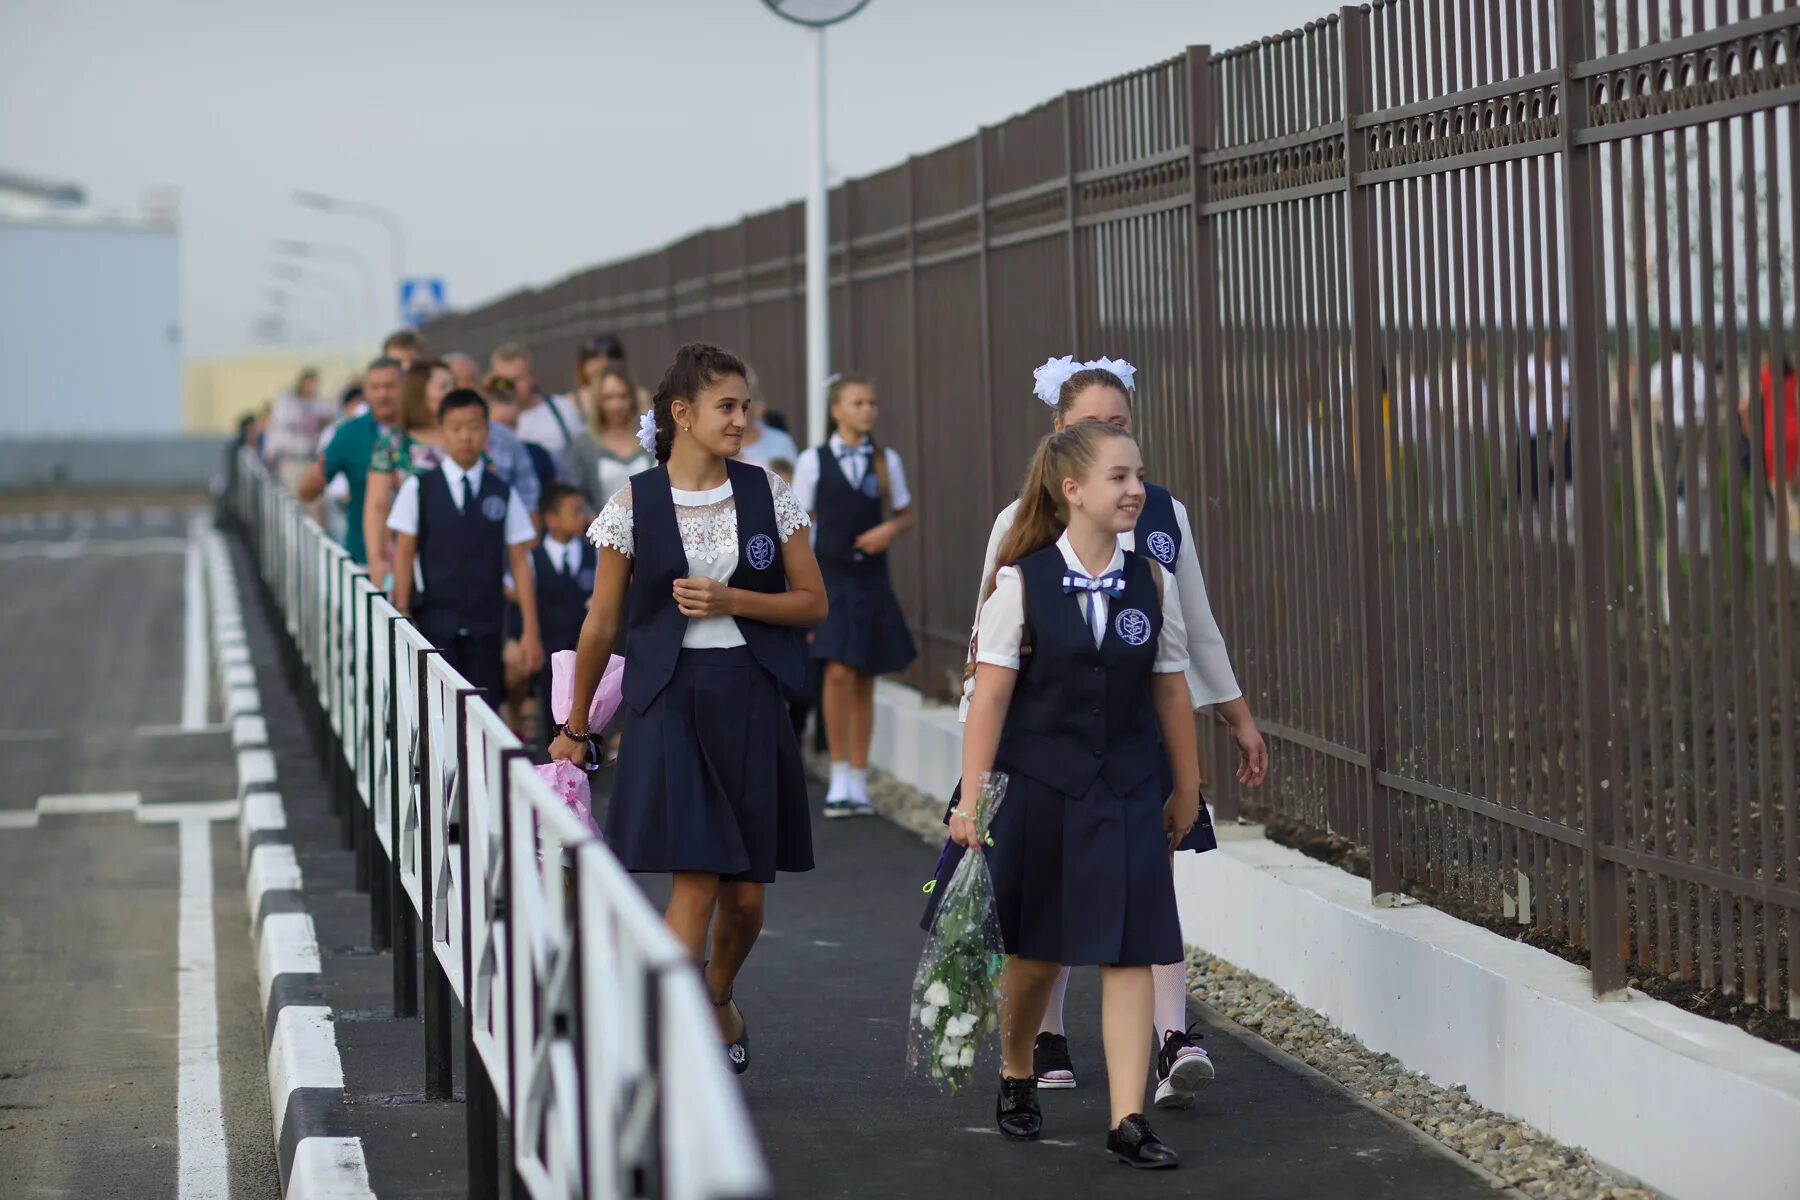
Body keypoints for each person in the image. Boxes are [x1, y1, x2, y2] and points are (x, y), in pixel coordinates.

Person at [962, 356, 1267, 1108]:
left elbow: (1188, 638)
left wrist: (1230, 718)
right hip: (1047, 757)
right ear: (1063, 449)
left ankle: (1166, 1048)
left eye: (1121, 426)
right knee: (1047, 921)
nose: (1118, 451)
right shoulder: (1020, 540)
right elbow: (990, 663)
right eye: (1095, 428)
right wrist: (977, 783)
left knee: (1141, 903)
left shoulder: (1161, 522)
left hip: (1133, 746)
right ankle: (1039, 1042)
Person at [549, 343, 826, 1076]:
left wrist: (733, 600)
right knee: (697, 879)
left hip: (751, 698)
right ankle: (673, 1054)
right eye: (725, 407)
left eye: (744, 407)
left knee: (747, 903)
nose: (740, 420)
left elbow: (812, 603)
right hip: (668, 700)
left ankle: (716, 994)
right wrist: (576, 725)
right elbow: (601, 623)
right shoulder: (632, 503)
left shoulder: (769, 491)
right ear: (683, 414)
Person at [948, 419, 1200, 1167]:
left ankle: (1128, 1119)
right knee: (1035, 958)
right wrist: (970, 800)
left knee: (1129, 953)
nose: (1136, 489)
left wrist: (1186, 787)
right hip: (1042, 792)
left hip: (1126, 791)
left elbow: (1170, 690)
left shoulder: (1151, 579)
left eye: (1139, 475)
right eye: (1119, 477)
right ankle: (1016, 1069)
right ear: (1073, 491)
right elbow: (990, 699)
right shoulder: (1020, 584)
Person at [791, 373, 917, 817]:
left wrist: (888, 531)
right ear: (836, 410)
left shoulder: (886, 460)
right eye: (858, 403)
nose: (868, 410)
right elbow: (799, 518)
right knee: (838, 670)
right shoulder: (813, 460)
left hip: (871, 578)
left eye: (871, 403)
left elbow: (904, 514)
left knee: (865, 673)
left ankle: (859, 779)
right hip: (832, 575)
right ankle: (839, 772)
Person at [388, 389, 543, 699]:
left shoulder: (502, 491)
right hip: (433, 622)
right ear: (441, 432)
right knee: (435, 707)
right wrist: (403, 613)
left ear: (487, 431)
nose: (465, 436)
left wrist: (530, 630)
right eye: (455, 428)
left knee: (484, 706)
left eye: (474, 427)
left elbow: (519, 560)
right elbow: (404, 552)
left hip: (486, 625)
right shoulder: (419, 487)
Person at [297, 357, 403, 564]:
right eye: (375, 388)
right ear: (366, 392)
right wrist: (312, 480)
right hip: (365, 557)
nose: (383, 394)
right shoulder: (349, 433)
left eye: (390, 387)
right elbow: (307, 491)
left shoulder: (420, 431)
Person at [362, 360, 455, 590]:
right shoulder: (394, 443)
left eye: (453, 385)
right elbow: (377, 505)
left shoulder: (464, 439)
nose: (452, 393)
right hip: (408, 559)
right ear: (419, 391)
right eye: (443, 386)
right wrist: (376, 558)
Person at [531, 482, 596, 747]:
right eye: (575, 512)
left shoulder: (595, 554)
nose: (582, 517)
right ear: (552, 519)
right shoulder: (532, 558)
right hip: (548, 644)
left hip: (584, 644)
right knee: (549, 699)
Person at [564, 364, 653, 511]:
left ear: (632, 397)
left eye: (623, 396)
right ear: (597, 400)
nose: (616, 405)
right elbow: (577, 496)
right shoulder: (583, 443)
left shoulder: (649, 435)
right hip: (603, 522)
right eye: (608, 398)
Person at [491, 342, 582, 472]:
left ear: (532, 377)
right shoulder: (488, 421)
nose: (512, 387)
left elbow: (582, 454)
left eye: (518, 379)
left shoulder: (562, 408)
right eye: (504, 381)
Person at [263, 368, 333, 507]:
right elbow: (277, 429)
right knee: (293, 499)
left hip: (309, 458)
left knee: (311, 501)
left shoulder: (318, 404)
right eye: (309, 383)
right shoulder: (288, 404)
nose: (312, 387)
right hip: (290, 458)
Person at [735, 365, 800, 469]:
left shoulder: (781, 443)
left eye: (744, 405)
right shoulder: (717, 446)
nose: (736, 414)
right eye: (727, 406)